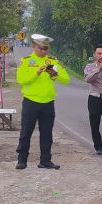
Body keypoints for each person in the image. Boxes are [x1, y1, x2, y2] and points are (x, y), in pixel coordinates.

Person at [15, 34, 70, 170]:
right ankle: (22, 160)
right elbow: (21, 80)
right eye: (41, 48)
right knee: (26, 132)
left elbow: (66, 79)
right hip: (31, 102)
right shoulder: (26, 61)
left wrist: (55, 74)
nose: (44, 51)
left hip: (48, 102)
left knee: (47, 133)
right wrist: (36, 73)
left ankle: (45, 160)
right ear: (34, 47)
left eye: (46, 48)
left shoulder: (52, 61)